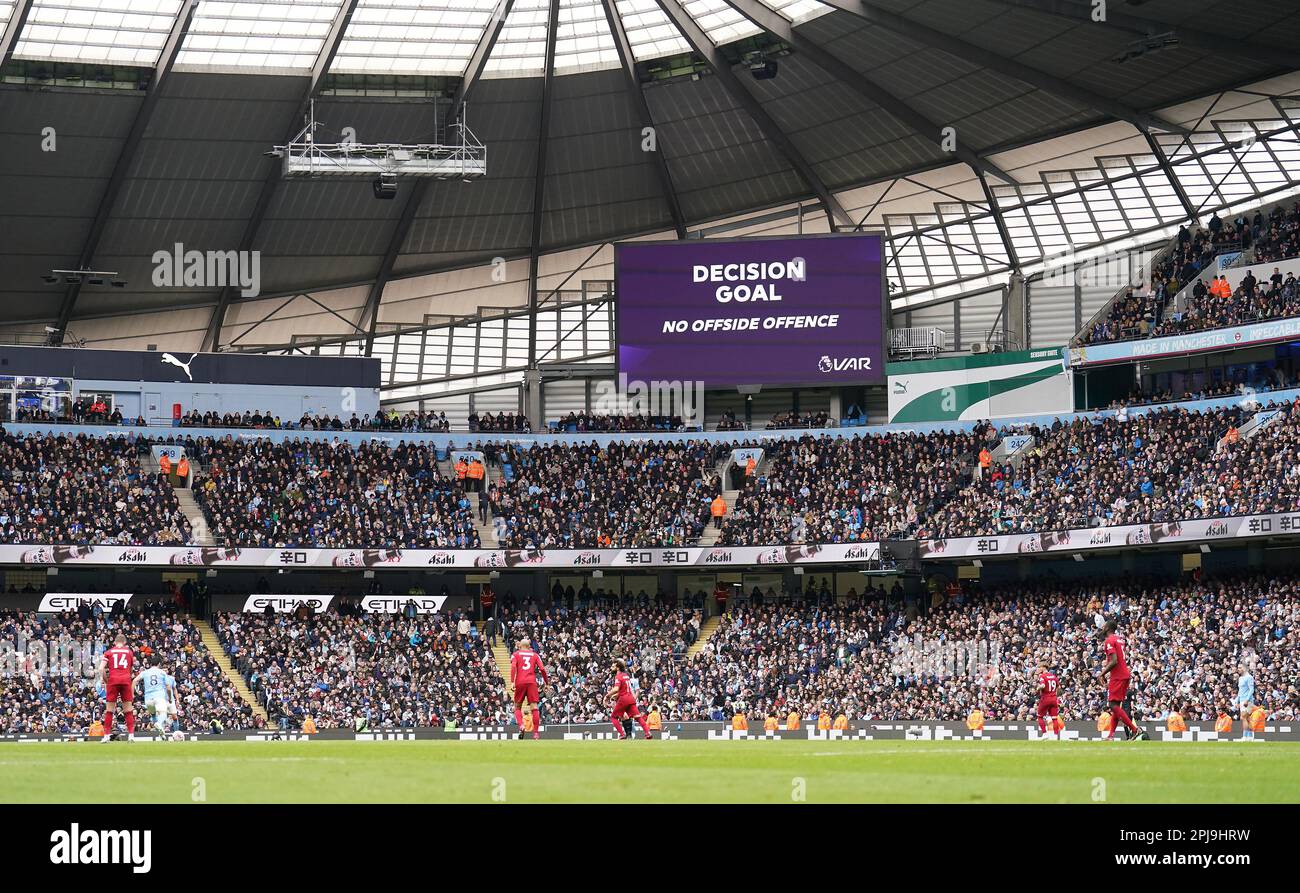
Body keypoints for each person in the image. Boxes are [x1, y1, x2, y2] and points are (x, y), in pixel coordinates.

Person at [1098, 617, 1145, 741]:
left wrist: (1102, 673)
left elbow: (1114, 661)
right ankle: (1111, 736)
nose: (1102, 628)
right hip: (1125, 674)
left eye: (1104, 626)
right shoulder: (1119, 639)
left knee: (1113, 705)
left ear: (1108, 628)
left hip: (1118, 676)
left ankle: (1135, 730)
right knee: (1116, 706)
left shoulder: (1109, 640)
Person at [98, 632, 136, 742]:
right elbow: (131, 668)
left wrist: (106, 680)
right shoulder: (129, 652)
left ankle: (106, 736)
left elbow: (101, 669)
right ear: (124, 642)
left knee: (109, 710)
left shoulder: (109, 652)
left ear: (114, 642)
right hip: (126, 680)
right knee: (128, 709)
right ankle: (131, 736)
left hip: (113, 680)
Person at [509, 636, 547, 740]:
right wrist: (546, 683)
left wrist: (512, 681)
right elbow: (542, 669)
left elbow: (513, 667)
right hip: (531, 682)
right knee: (534, 708)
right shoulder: (535, 655)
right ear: (529, 646)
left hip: (520, 682)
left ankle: (521, 725)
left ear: (520, 646)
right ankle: (535, 734)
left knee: (517, 707)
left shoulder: (515, 654)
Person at [606, 659, 652, 740]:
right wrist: (615, 695)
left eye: (613, 666)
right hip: (631, 698)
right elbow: (624, 689)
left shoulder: (618, 676)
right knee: (638, 717)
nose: (611, 668)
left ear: (617, 668)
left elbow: (616, 688)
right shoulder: (626, 675)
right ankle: (647, 733)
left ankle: (622, 734)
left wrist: (608, 695)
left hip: (623, 699)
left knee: (613, 717)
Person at [133, 662, 177, 738]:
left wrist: (132, 694)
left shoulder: (145, 672)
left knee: (153, 714)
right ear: (159, 664)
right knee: (163, 713)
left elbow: (134, 680)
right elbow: (168, 687)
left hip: (148, 699)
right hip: (159, 697)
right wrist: (170, 698)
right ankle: (159, 724)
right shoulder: (162, 672)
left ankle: (161, 733)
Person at [1035, 663, 1061, 739]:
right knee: (1054, 718)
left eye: (1039, 667)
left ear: (1043, 668)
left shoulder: (1042, 676)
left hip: (1045, 698)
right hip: (1053, 699)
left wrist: (1038, 688)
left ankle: (1045, 734)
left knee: (1040, 717)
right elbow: (1057, 686)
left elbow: (1043, 686)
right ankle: (1056, 736)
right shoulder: (1053, 676)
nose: (1038, 669)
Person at [1235, 665, 1256, 741]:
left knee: (1243, 717)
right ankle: (1250, 736)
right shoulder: (1240, 678)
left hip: (1248, 701)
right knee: (1247, 718)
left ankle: (1245, 736)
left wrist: (1247, 700)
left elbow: (1251, 689)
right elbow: (1240, 691)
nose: (1238, 669)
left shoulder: (1249, 677)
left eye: (1240, 667)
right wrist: (1237, 701)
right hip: (1241, 700)